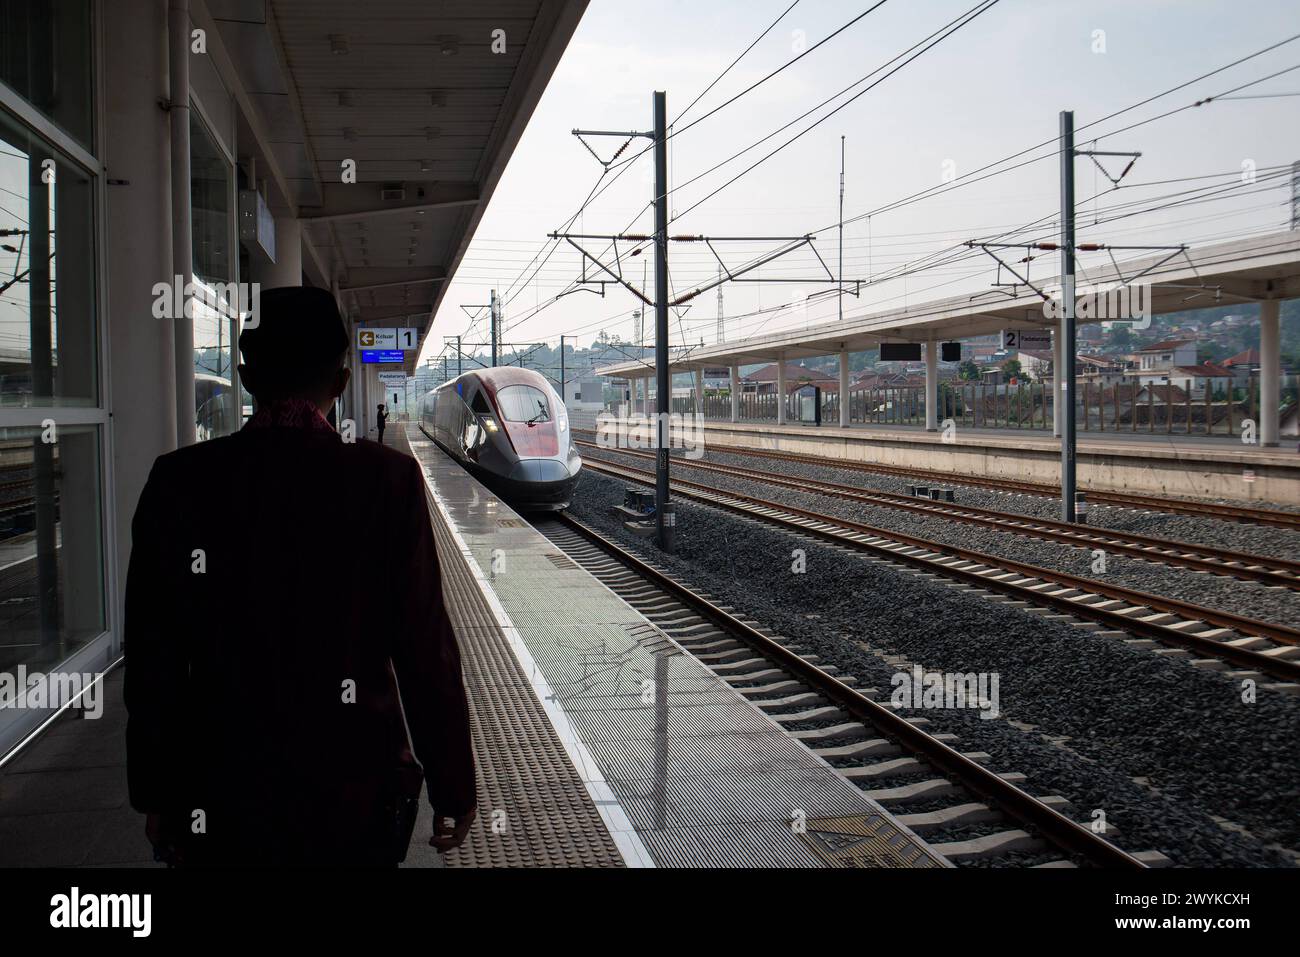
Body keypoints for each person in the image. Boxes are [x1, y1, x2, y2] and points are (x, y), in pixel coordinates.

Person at [124, 286, 476, 867]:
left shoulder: (178, 483)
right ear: (340, 385)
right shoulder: (386, 482)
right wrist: (453, 784)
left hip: (223, 791)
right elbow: (424, 648)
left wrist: (156, 792)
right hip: (355, 789)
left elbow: (153, 656)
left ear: (244, 378)